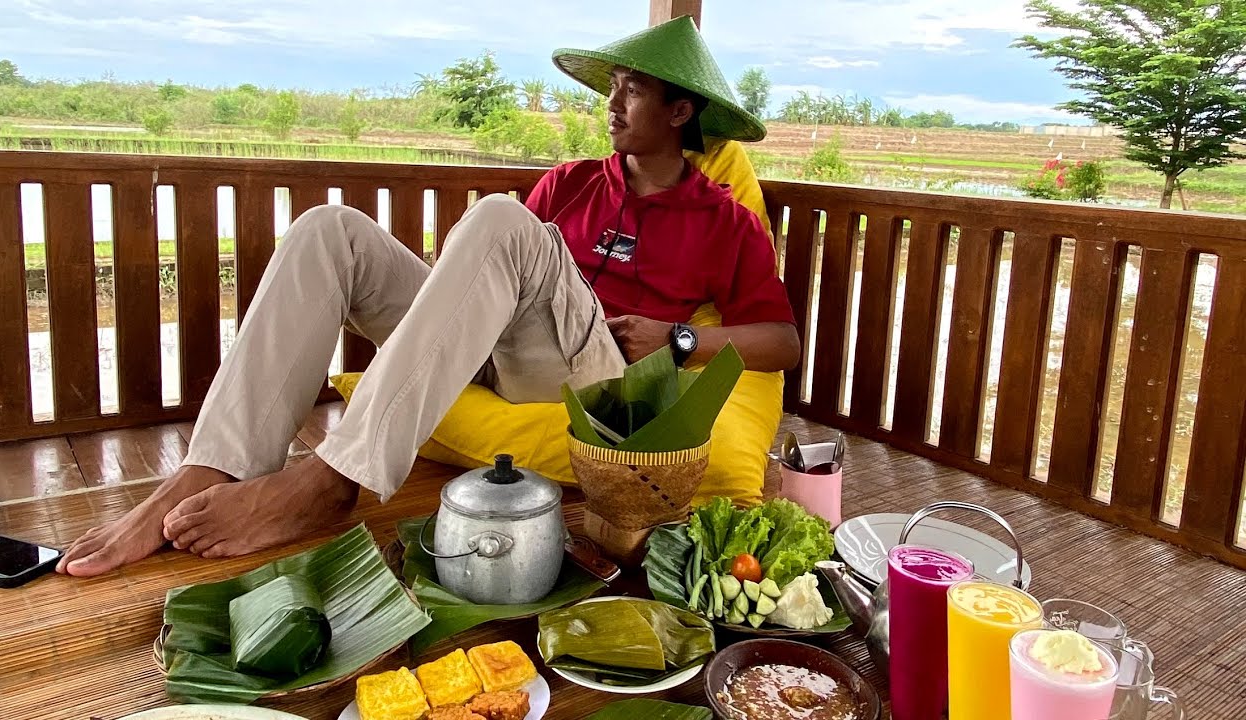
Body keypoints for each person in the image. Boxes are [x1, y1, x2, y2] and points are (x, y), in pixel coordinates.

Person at [56, 16, 800, 577]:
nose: (612, 103)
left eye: (632, 90)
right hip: (501, 346)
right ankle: (212, 465)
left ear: (679, 113)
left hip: (598, 373)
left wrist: (679, 340)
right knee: (330, 231)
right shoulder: (570, 182)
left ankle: (330, 478)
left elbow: (780, 340)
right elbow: (498, 272)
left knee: (502, 219)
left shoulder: (723, 220)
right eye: (611, 86)